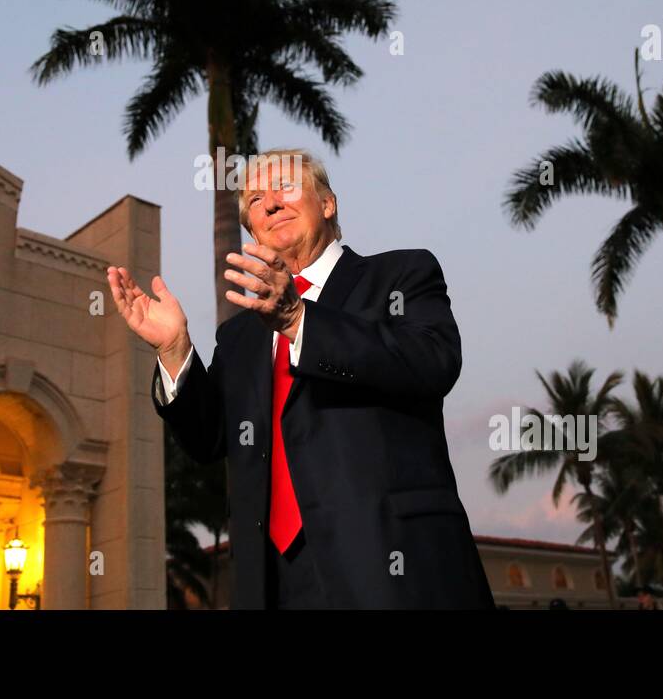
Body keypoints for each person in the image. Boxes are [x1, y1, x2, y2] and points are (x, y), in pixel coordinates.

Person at [108, 148, 495, 609]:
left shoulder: (401, 275)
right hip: (273, 584)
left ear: (328, 203)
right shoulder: (238, 335)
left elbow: (433, 361)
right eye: (254, 200)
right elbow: (207, 438)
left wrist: (298, 319)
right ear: (252, 228)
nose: (269, 203)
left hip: (393, 570)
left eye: (285, 188)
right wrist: (173, 351)